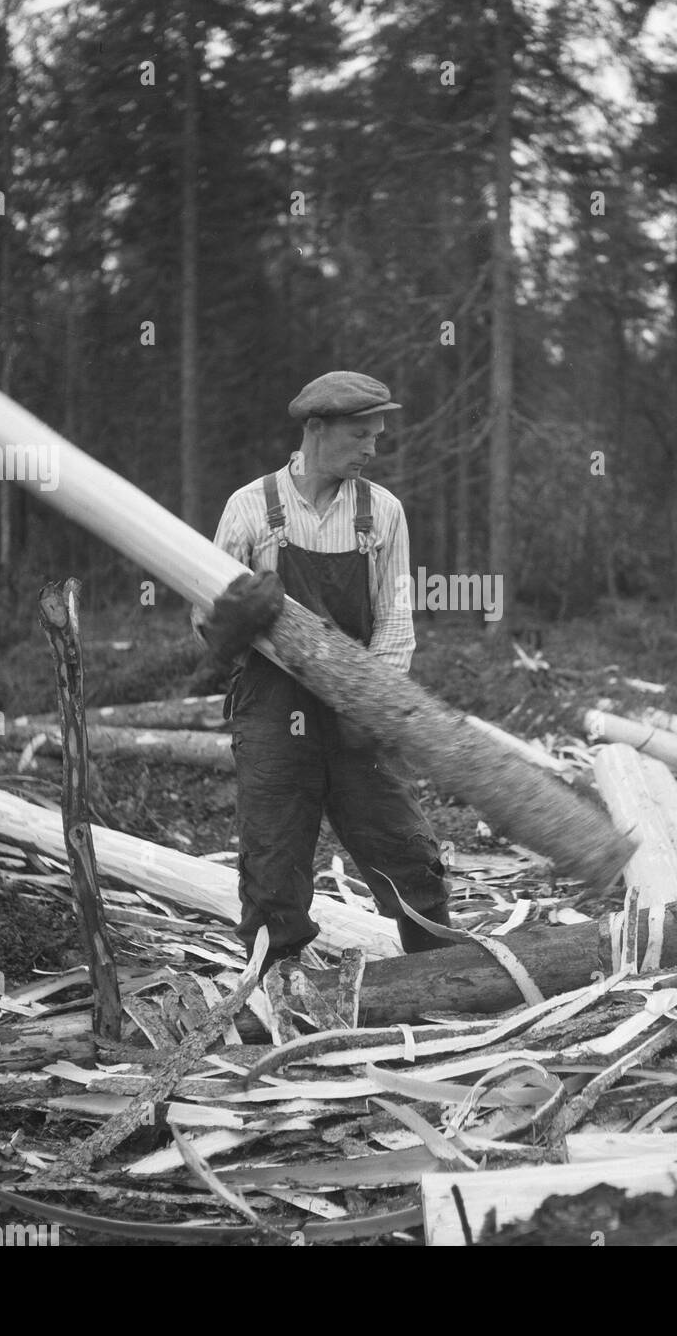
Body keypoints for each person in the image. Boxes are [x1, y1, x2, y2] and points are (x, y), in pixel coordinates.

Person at [192, 371, 452, 974]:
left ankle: (443, 975)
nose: (372, 449)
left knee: (405, 849)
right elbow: (203, 622)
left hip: (357, 706)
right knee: (273, 857)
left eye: (377, 436)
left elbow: (395, 619)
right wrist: (230, 617)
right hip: (272, 708)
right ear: (315, 430)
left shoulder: (382, 513)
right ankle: (278, 984)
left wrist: (374, 702)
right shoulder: (250, 508)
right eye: (361, 435)